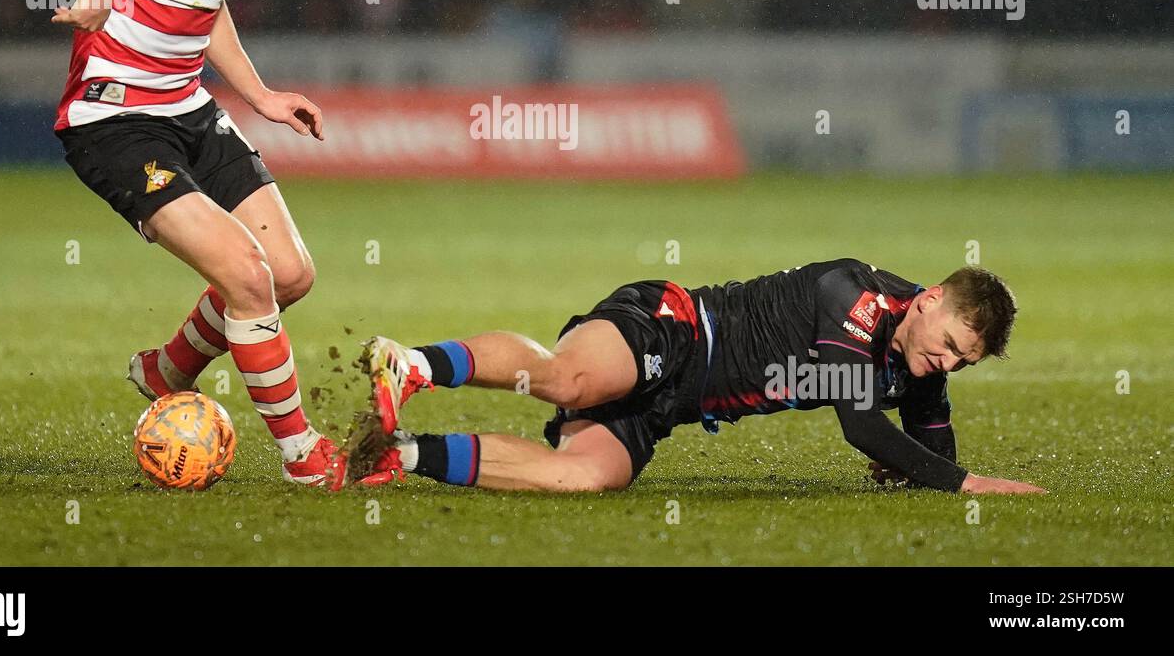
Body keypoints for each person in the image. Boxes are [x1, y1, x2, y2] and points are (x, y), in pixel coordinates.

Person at [14, 0, 336, 484]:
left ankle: (169, 369)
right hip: (115, 121)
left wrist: (258, 93)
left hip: (187, 106)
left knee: (289, 273)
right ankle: (305, 459)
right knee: (248, 278)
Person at [334, 260, 1046, 495]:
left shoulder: (923, 361)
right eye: (950, 344)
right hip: (675, 328)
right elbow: (861, 423)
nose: (946, 364)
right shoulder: (853, 298)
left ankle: (398, 455)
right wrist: (966, 484)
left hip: (672, 404)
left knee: (581, 477)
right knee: (567, 381)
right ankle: (415, 362)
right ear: (927, 302)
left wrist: (930, 470)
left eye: (963, 361)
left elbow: (932, 452)